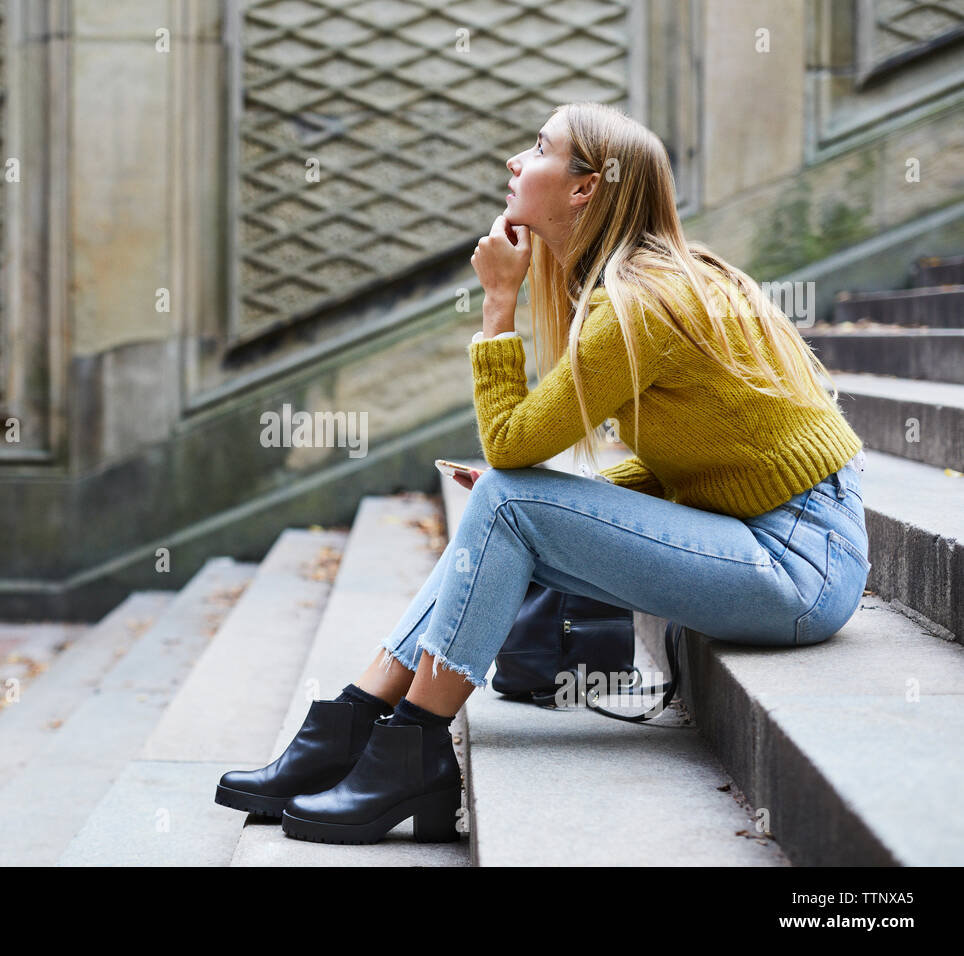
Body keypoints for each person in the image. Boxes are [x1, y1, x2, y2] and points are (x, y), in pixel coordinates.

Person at [215, 101, 870, 846]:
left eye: (537, 148)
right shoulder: (637, 286)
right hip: (768, 539)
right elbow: (697, 465)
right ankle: (355, 721)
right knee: (509, 504)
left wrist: (498, 303)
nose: (514, 163)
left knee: (505, 498)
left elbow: (509, 446)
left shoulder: (640, 305)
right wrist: (565, 507)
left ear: (584, 188)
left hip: (799, 565)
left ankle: (413, 745)